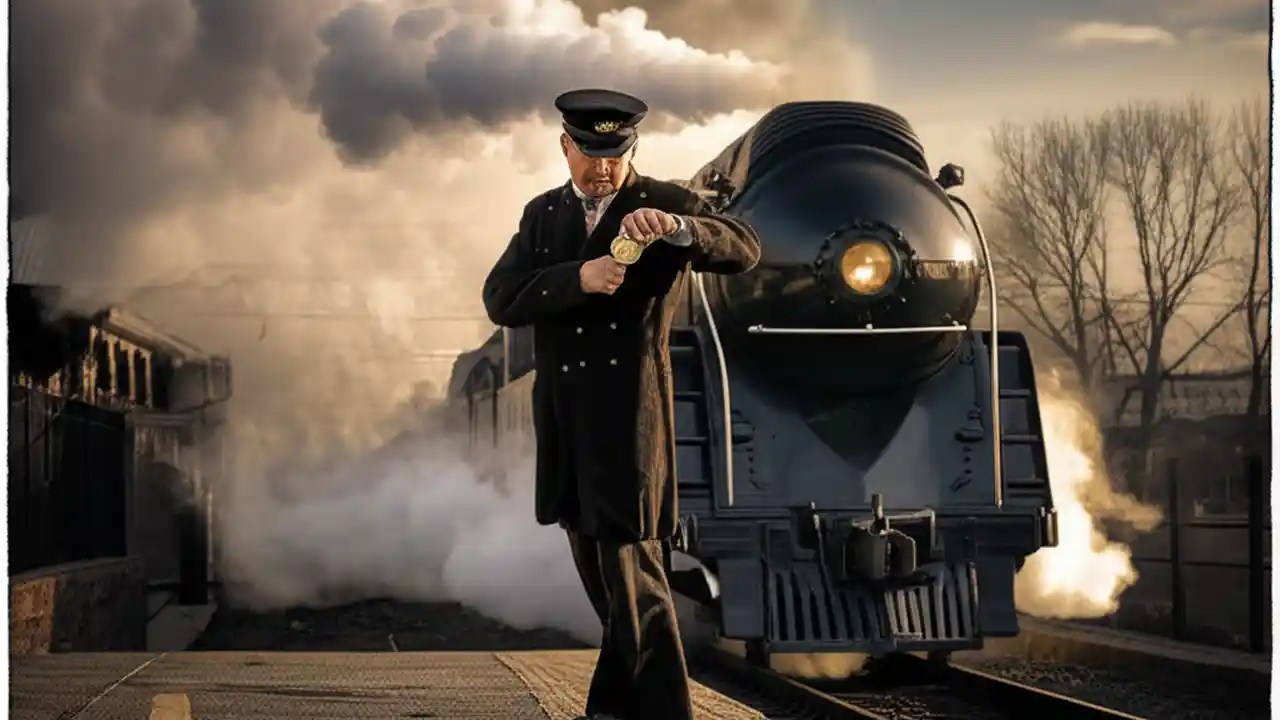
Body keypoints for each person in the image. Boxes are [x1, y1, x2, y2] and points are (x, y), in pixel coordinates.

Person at [482, 88, 761, 720]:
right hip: (565, 425)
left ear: (633, 149)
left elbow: (744, 246)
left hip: (630, 422)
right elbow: (499, 298)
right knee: (609, 583)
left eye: (615, 154)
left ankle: (642, 711)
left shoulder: (662, 202)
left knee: (636, 579)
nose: (603, 169)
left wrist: (682, 230)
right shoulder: (542, 215)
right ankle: (622, 708)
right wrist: (576, 278)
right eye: (590, 153)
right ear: (565, 146)